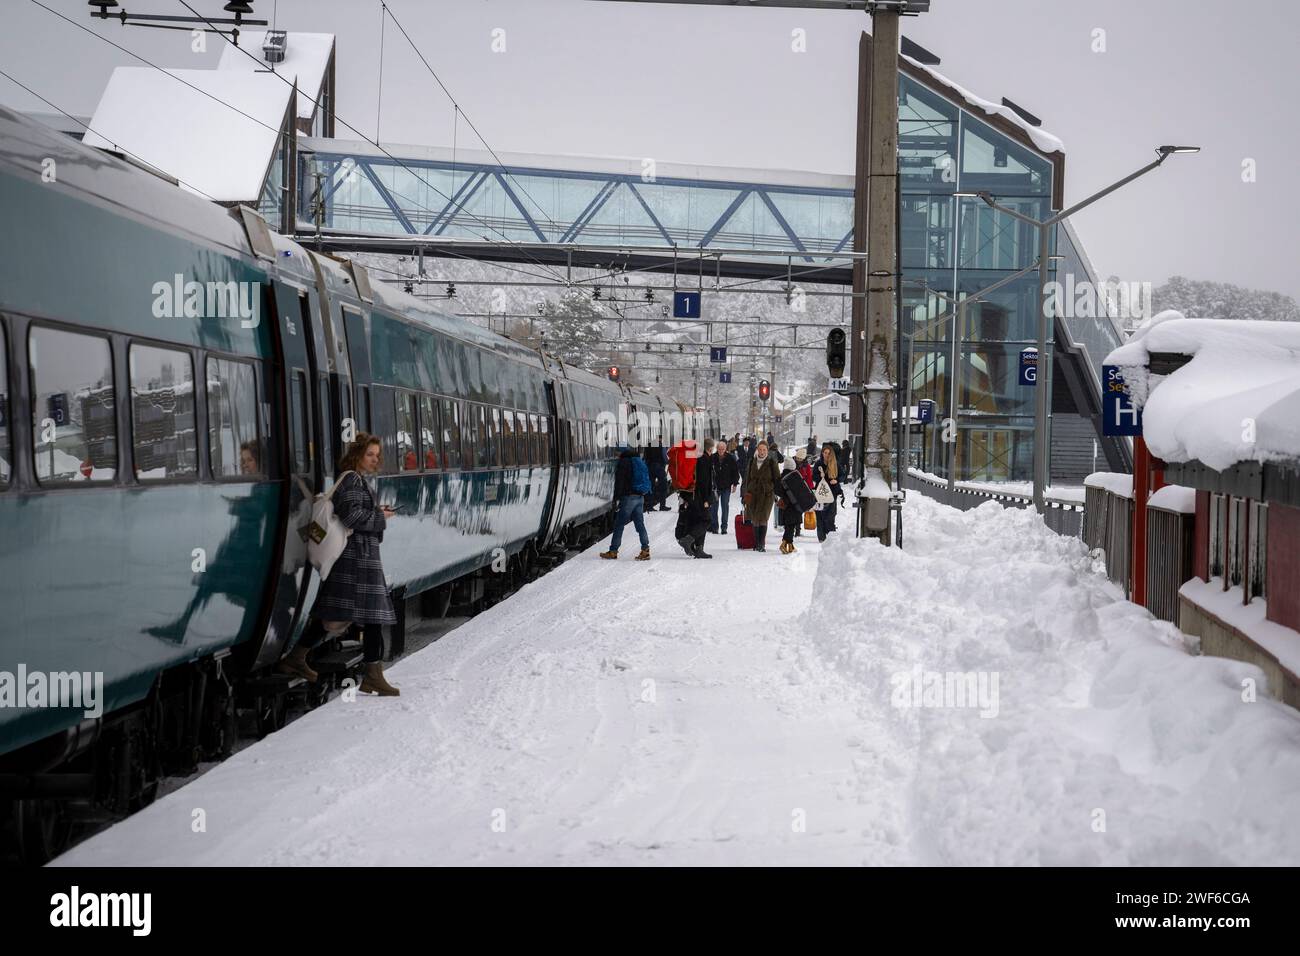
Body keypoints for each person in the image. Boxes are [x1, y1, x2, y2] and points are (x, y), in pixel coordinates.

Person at [279, 434, 401, 696]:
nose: (375, 459)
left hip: (358, 560)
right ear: (357, 455)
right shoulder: (352, 480)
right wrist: (381, 516)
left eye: (377, 455)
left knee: (337, 615)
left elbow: (353, 512)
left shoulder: (354, 480)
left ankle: (299, 658)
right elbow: (352, 516)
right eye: (370, 454)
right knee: (367, 617)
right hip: (357, 561)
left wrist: (378, 512)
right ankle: (372, 676)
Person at [600, 445, 651, 561]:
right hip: (640, 497)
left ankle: (613, 551)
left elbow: (620, 482)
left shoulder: (623, 462)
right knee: (640, 524)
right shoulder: (638, 460)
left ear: (621, 452)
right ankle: (645, 550)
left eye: (617, 452)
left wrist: (616, 499)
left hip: (628, 498)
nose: (616, 455)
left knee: (619, 525)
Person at [742, 440, 781, 553]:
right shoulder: (751, 462)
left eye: (764, 450)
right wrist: (745, 493)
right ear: (757, 450)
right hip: (753, 493)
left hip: (767, 494)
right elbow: (747, 478)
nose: (762, 452)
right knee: (754, 519)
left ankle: (761, 544)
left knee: (763, 518)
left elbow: (777, 478)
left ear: (767, 451)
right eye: (760, 449)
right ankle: (757, 543)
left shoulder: (771, 462)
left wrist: (776, 493)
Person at [812, 443, 844, 544]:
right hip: (820, 494)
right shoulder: (818, 464)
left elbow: (843, 475)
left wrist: (837, 480)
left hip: (832, 493)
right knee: (820, 516)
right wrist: (819, 476)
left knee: (830, 515)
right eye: (825, 453)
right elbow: (814, 477)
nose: (827, 455)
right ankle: (821, 537)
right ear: (822, 453)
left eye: (829, 453)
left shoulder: (836, 464)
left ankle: (831, 536)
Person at [776, 457, 806, 554]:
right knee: (791, 527)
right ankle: (784, 544)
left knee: (788, 527)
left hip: (785, 506)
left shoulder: (781, 477)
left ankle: (790, 546)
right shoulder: (794, 476)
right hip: (794, 506)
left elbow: (777, 490)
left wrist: (785, 496)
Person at [711, 440, 739, 534]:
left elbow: (735, 471)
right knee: (714, 507)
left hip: (726, 486)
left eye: (722, 449)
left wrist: (735, 484)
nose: (721, 450)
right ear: (717, 449)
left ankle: (724, 527)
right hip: (715, 487)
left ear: (725, 449)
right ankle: (715, 527)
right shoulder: (712, 458)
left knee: (725, 507)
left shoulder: (730, 458)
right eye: (719, 449)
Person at [643, 441, 671, 511]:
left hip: (650, 467)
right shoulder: (661, 445)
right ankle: (662, 506)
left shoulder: (648, 445)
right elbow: (664, 457)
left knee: (651, 486)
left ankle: (649, 506)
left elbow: (645, 457)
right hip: (659, 467)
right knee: (663, 486)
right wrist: (668, 461)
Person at [793, 447, 813, 537]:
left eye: (800, 459)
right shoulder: (792, 463)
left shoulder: (806, 466)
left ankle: (797, 529)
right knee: (793, 511)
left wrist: (810, 490)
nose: (799, 460)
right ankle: (792, 527)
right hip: (792, 490)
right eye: (798, 458)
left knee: (799, 511)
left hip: (802, 491)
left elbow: (809, 478)